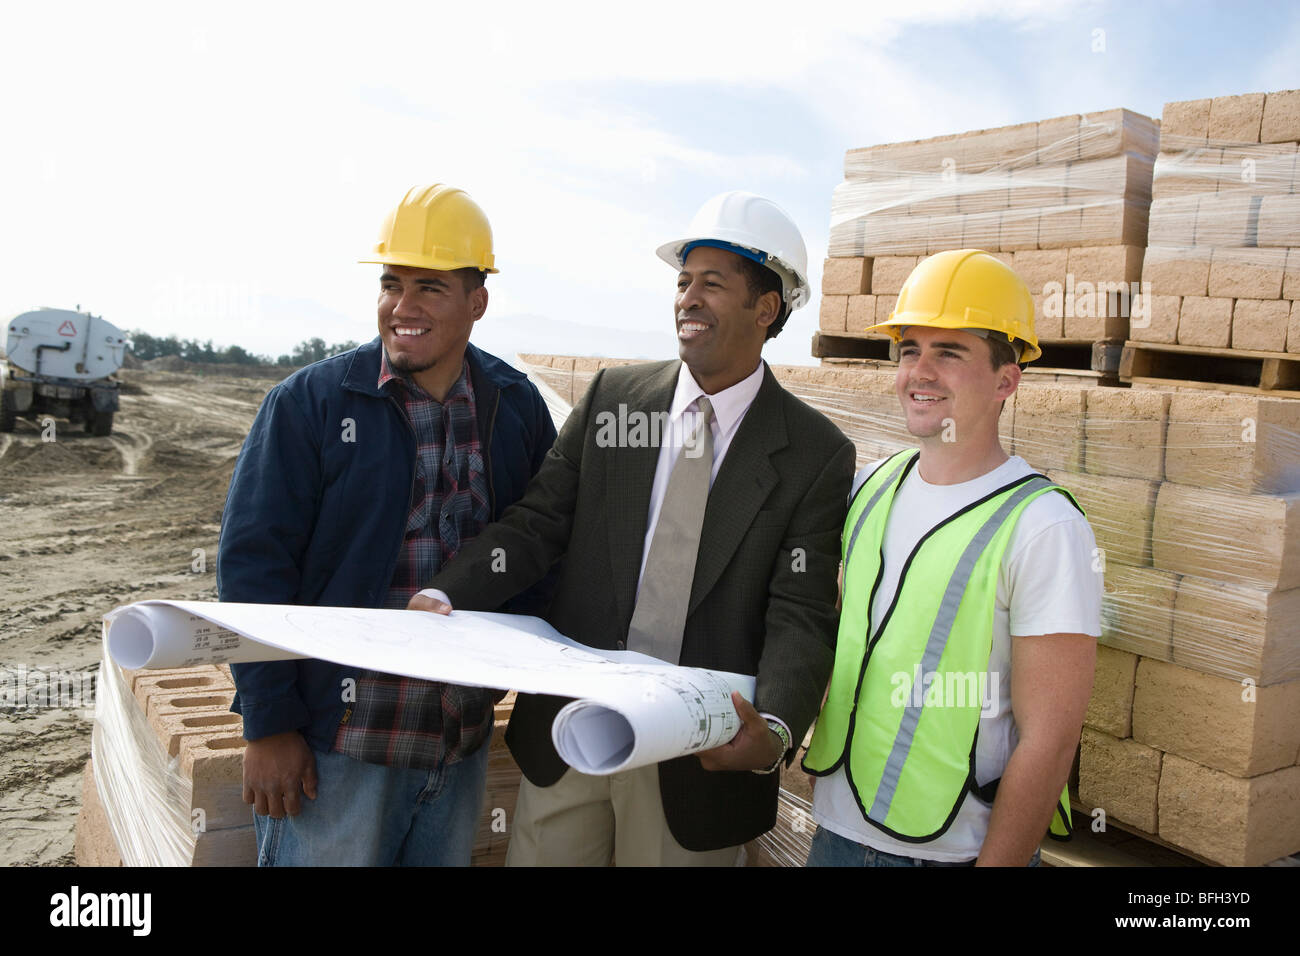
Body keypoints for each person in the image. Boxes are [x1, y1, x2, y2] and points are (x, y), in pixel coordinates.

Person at [410, 191, 856, 866]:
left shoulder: (814, 453)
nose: (688, 299)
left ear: (767, 308)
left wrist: (775, 727)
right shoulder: (614, 401)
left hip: (698, 753)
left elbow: (802, 608)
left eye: (713, 284)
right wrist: (449, 593)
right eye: (683, 282)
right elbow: (537, 526)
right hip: (573, 730)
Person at [217, 184, 556, 866]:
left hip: (455, 743)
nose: (403, 307)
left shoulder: (513, 406)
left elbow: (540, 541)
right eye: (391, 284)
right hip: (339, 747)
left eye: (429, 288)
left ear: (477, 302)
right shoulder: (311, 404)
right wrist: (268, 724)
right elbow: (255, 565)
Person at [802, 249, 1100, 867]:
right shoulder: (871, 487)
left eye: (950, 352)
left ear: (1006, 380)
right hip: (836, 831)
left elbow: (1050, 738)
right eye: (911, 349)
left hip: (949, 853)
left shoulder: (1044, 527)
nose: (921, 371)